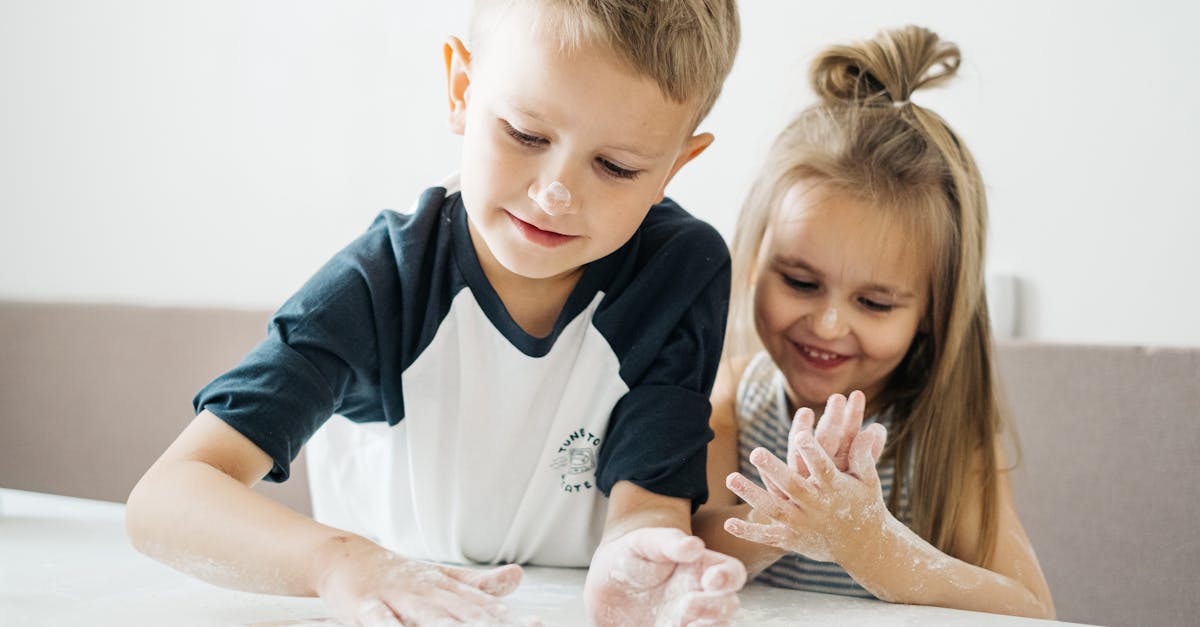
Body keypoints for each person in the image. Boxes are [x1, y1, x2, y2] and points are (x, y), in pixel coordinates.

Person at [124, 1, 747, 625]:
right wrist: (339, 563)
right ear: (461, 90)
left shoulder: (680, 270)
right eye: (526, 134)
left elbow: (649, 501)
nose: (556, 193)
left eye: (616, 167)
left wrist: (640, 556)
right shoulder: (381, 282)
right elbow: (166, 498)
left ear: (675, 165)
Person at [691, 25, 1056, 618]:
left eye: (877, 303)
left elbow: (1030, 609)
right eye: (801, 282)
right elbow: (690, 544)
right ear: (755, 260)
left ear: (934, 312)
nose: (830, 324)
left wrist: (871, 545)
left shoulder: (944, 435)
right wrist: (789, 510)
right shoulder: (734, 396)